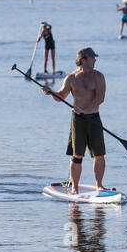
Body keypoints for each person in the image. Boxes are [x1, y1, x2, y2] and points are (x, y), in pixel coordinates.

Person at [42, 47, 108, 194]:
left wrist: (86, 109)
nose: (95, 60)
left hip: (94, 118)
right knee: (77, 155)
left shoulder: (99, 76)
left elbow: (100, 98)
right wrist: (51, 92)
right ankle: (75, 188)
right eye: (92, 58)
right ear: (83, 60)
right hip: (78, 120)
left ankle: (99, 186)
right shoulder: (71, 78)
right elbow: (61, 97)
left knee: (99, 154)